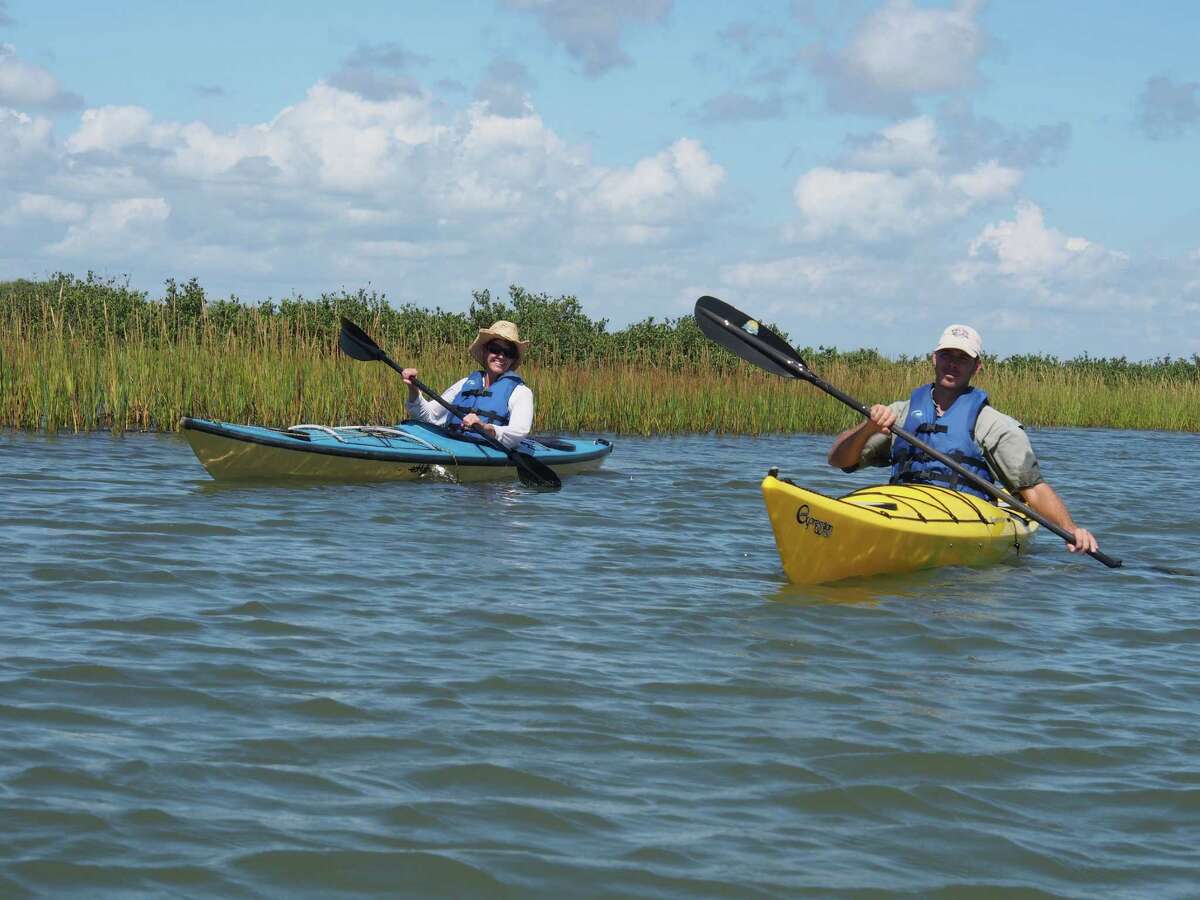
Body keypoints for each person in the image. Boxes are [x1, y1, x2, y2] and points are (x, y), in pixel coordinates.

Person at [827, 323, 1099, 554]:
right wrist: (867, 429)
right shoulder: (899, 413)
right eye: (947, 355)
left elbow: (1033, 488)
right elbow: (838, 461)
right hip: (902, 505)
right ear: (934, 358)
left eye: (962, 358)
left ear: (976, 366)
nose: (952, 364)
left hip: (962, 514)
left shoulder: (993, 425)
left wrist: (1071, 529)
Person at [401, 320, 534, 449]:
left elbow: (518, 432)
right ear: (485, 351)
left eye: (508, 352)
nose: (501, 356)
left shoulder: (521, 392)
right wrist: (413, 389)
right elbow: (430, 417)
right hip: (454, 444)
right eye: (495, 349)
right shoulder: (464, 384)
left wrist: (484, 427)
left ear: (513, 359)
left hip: (491, 450)